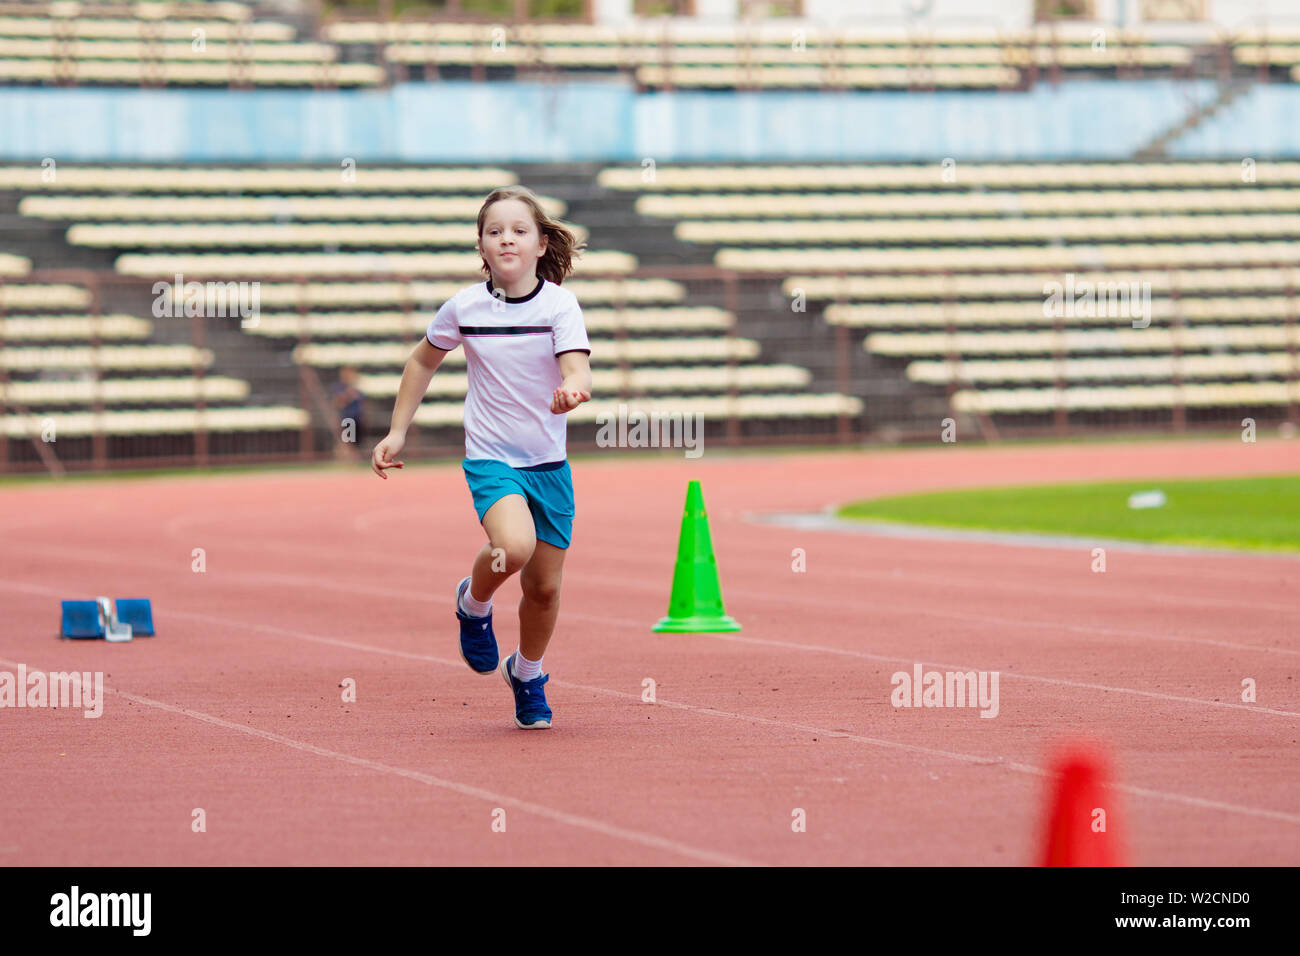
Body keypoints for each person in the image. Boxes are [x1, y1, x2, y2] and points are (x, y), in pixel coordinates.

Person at [370, 186, 592, 730]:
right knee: (511, 548)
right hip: (492, 458)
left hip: (548, 465)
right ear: (482, 247)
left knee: (543, 589)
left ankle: (528, 672)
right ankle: (473, 603)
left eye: (519, 230)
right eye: (495, 231)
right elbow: (422, 362)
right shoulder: (464, 307)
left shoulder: (559, 305)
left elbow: (577, 367)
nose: (507, 239)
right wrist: (398, 430)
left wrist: (574, 389)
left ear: (541, 244)